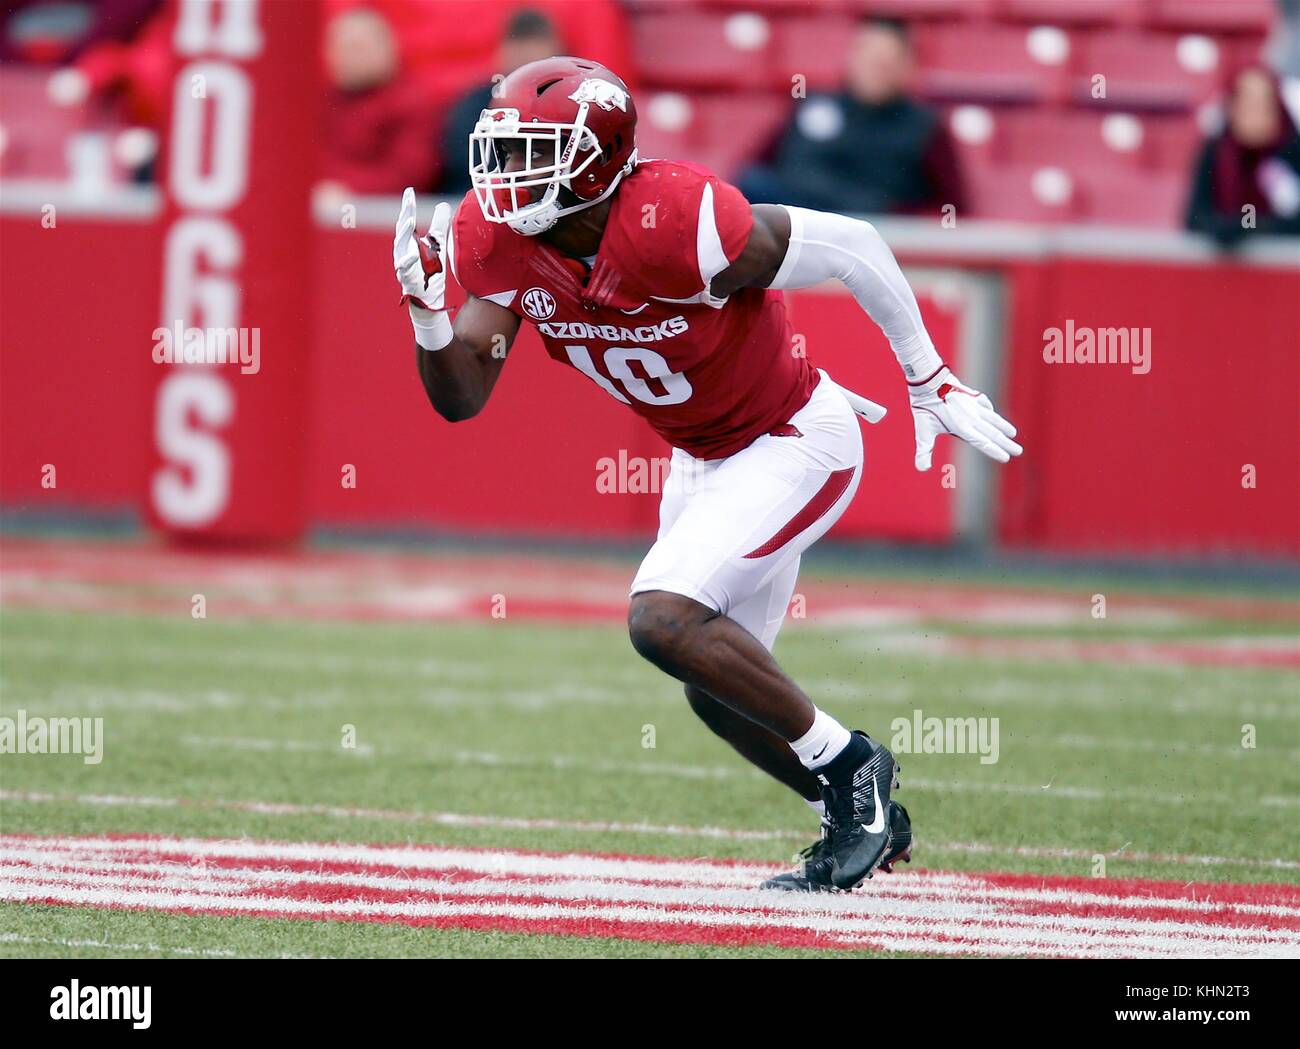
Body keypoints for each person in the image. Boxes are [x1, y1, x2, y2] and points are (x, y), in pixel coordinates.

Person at [392, 57, 1022, 892]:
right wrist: (428, 315)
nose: (507, 178)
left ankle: (855, 767)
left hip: (795, 436)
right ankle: (863, 811)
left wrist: (926, 375)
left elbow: (853, 245)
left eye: (533, 152)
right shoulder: (501, 238)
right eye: (503, 154)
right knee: (716, 689)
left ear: (593, 157)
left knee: (663, 619)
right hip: (704, 455)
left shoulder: (673, 219)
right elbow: (462, 395)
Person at [738, 17, 965, 217]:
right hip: (799, 228)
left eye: (886, 60)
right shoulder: (810, 104)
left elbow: (952, 210)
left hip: (873, 233)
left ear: (907, 66)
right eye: (868, 55)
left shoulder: (925, 127)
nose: (875, 67)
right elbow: (755, 172)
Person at [436, 8, 561, 195]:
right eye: (517, 45)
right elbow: (464, 164)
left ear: (555, 49)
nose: (525, 55)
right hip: (483, 193)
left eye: (533, 45)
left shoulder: (569, 102)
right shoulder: (475, 104)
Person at [320, 6, 437, 195]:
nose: (351, 56)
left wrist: (346, 189)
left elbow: (410, 176)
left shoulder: (412, 102)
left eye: (359, 47)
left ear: (390, 48)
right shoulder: (316, 103)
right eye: (342, 47)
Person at [1186, 63, 1300, 245]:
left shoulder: (1293, 151)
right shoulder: (1216, 152)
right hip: (1227, 270)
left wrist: (1252, 228)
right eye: (1246, 104)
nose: (1255, 114)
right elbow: (1194, 217)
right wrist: (1226, 229)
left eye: (1263, 104)